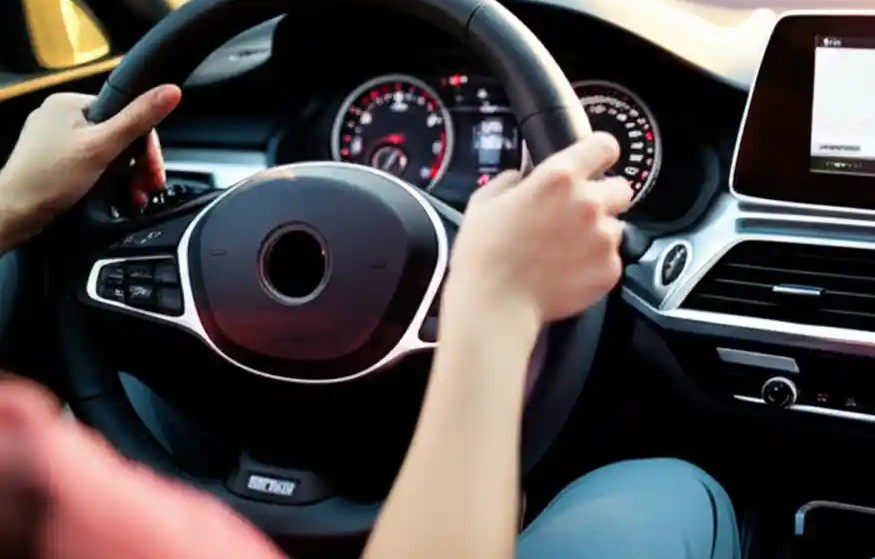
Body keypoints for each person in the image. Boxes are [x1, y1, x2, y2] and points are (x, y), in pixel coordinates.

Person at [0, 85, 740, 559]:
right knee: (667, 492)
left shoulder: (33, 455)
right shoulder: (30, 482)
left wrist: (8, 204)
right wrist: (495, 300)